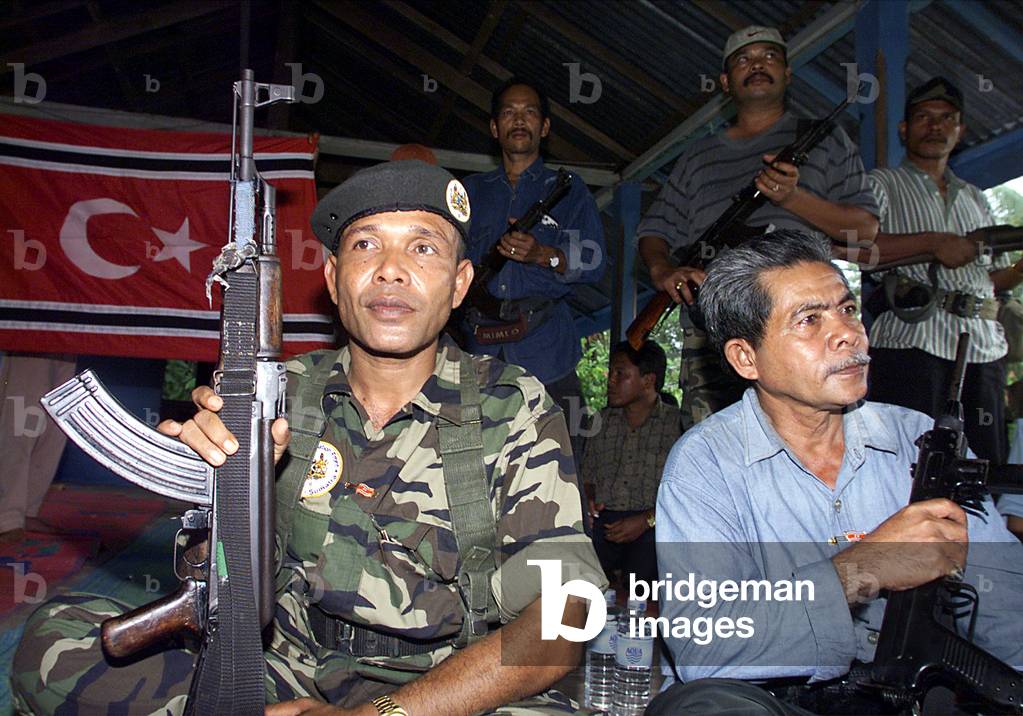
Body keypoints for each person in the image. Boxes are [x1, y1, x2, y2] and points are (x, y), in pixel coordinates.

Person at [12, 161, 606, 716]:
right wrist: (218, 497)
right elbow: (217, 581)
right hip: (283, 668)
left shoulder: (514, 405)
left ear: (459, 284)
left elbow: (563, 620)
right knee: (53, 646)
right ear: (332, 277)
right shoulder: (280, 395)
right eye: (366, 244)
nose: (390, 268)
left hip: (449, 686)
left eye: (423, 248)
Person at [647, 231, 1023, 715]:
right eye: (808, 320)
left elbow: (1006, 609)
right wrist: (862, 569)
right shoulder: (705, 466)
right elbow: (705, 650)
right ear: (746, 358)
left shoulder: (921, 442)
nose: (849, 333)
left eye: (847, 310)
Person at [636, 26, 878, 431]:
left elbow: (865, 227)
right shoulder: (698, 157)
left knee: (814, 440)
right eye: (744, 59)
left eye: (769, 56)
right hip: (713, 333)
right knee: (716, 445)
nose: (758, 64)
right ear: (726, 83)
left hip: (808, 328)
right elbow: (654, 230)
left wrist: (792, 199)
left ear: (787, 73)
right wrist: (663, 271)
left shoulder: (825, 139)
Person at [860, 77, 1023, 464]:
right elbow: (856, 249)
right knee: (908, 465)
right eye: (923, 117)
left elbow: (992, 281)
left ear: (960, 129)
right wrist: (933, 243)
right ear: (904, 128)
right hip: (912, 341)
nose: (935, 127)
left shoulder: (975, 197)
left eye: (946, 118)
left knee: (983, 469)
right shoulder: (881, 183)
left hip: (982, 346)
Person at [460, 78, 605, 454]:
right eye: (508, 112)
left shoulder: (570, 191)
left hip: (546, 351)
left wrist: (545, 254)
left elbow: (595, 261)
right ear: (494, 128)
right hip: (479, 352)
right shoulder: (469, 192)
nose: (518, 120)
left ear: (544, 127)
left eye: (529, 112)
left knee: (563, 463)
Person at [581, 340, 680, 592]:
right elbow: (587, 476)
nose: (610, 380)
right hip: (605, 524)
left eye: (620, 374)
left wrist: (646, 521)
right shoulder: (601, 422)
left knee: (651, 556)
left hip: (654, 523)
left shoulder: (678, 427)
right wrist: (589, 501)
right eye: (611, 372)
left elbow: (688, 497)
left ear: (648, 381)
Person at [0, 352, 76, 543]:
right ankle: (6, 518)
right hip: (34, 331)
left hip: (68, 331)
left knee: (57, 417)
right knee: (22, 418)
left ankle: (26, 510)